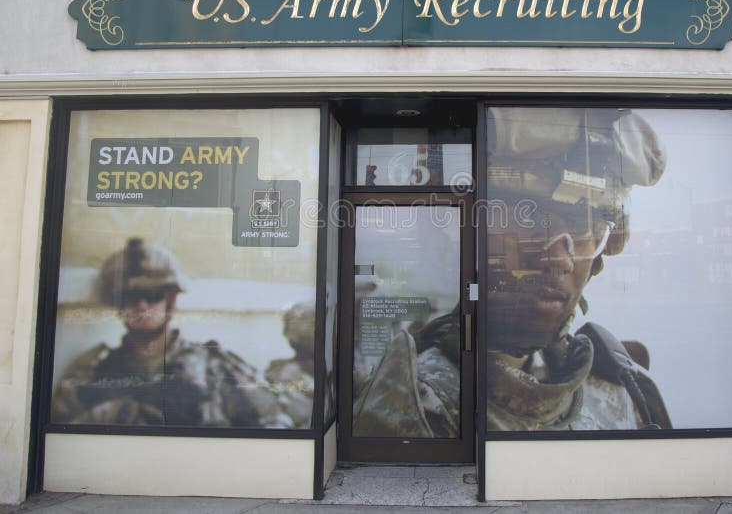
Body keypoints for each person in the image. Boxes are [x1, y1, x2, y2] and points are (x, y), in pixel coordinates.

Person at [352, 108, 672, 435]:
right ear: (469, 242)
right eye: (530, 224)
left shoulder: (624, 394)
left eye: (582, 230)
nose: (560, 258)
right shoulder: (416, 411)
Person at [51, 238, 293, 427]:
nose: (142, 306)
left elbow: (275, 420)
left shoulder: (216, 366)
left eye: (154, 295)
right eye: (130, 296)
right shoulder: (92, 372)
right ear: (118, 304)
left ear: (172, 301)